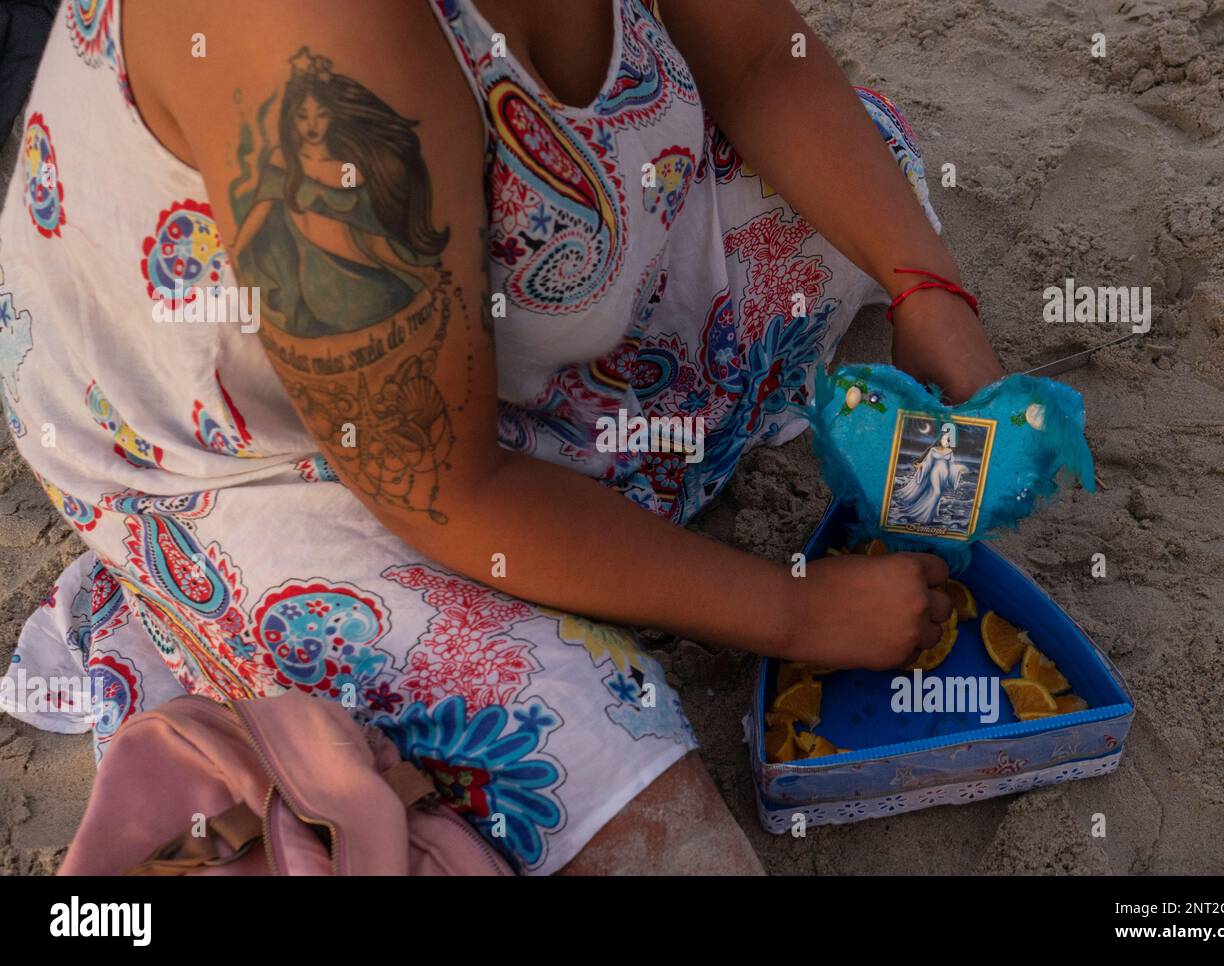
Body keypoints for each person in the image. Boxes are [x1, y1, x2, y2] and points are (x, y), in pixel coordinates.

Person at [0, 0, 1003, 874]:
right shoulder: (311, 38)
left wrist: (929, 289)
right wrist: (793, 614)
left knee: (868, 188)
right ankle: (211, 597)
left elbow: (751, 59)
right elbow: (441, 487)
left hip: (489, 317)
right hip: (275, 454)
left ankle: (581, 443)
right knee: (610, 780)